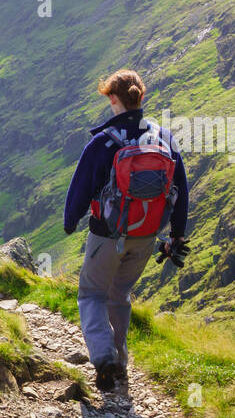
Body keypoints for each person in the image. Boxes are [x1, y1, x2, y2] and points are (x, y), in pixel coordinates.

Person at [63, 69, 190, 393]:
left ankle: (104, 358)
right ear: (141, 97)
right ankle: (119, 361)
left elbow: (80, 189)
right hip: (146, 237)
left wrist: (71, 220)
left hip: (107, 235)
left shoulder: (103, 143)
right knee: (119, 295)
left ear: (113, 98)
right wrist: (175, 236)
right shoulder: (164, 138)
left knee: (92, 294)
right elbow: (181, 190)